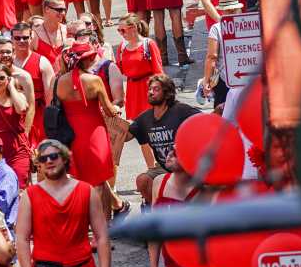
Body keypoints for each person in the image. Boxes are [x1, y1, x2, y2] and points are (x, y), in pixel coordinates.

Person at [16, 140, 116, 267]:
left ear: (65, 159)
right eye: (43, 159)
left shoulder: (86, 191)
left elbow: (103, 236)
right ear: (39, 165)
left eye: (54, 156)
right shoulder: (30, 195)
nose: (49, 161)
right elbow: (22, 239)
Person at [58, 43, 128, 214]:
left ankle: (116, 206)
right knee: (99, 178)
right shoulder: (94, 80)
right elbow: (110, 111)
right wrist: (117, 108)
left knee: (83, 177)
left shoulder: (59, 81)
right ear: (87, 59)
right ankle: (103, 224)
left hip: (71, 134)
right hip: (94, 133)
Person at [129, 75, 201, 206]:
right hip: (163, 166)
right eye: (150, 89)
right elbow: (125, 134)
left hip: (184, 165)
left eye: (156, 89)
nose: (151, 92)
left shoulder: (181, 111)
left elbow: (206, 121)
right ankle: (153, 209)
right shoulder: (145, 118)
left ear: (167, 93)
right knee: (142, 180)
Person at [113, 15, 163, 123]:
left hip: (148, 88)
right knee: (138, 126)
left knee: (152, 124)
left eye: (123, 30)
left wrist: (159, 93)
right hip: (132, 91)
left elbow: (158, 72)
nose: (121, 34)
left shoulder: (148, 44)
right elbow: (117, 71)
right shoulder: (122, 47)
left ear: (134, 28)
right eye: (119, 30)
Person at [201, 0, 245, 111]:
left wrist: (206, 80)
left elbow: (212, 57)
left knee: (223, 119)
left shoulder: (216, 28)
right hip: (248, 81)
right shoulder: (247, 24)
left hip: (225, 81)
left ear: (222, 9)